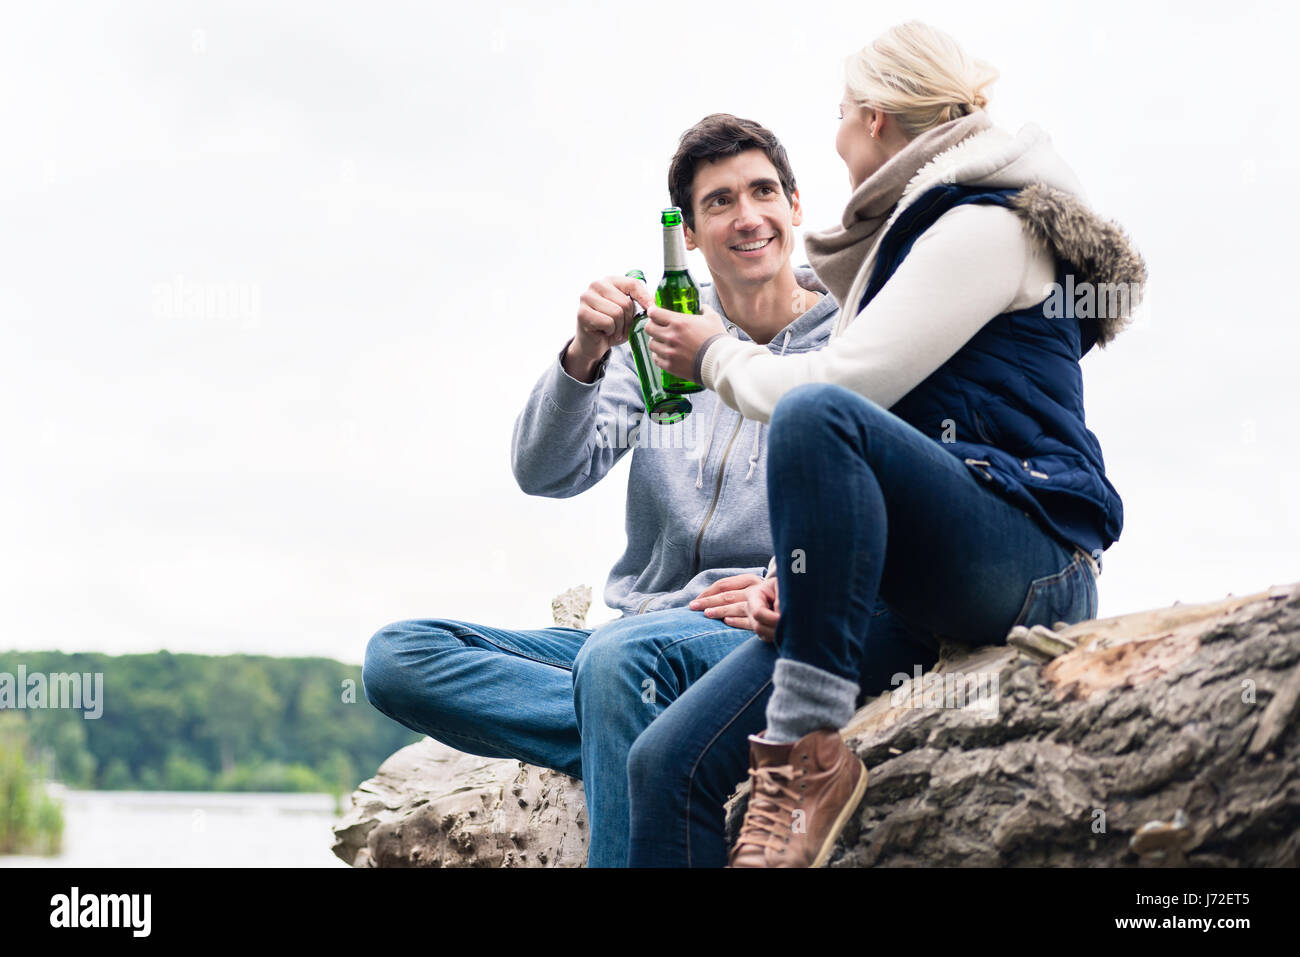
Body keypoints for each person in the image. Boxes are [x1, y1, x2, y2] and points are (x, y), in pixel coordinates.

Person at [635, 20, 1147, 867]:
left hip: (1034, 556)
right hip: (928, 577)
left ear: (874, 118)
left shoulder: (988, 226)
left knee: (813, 416)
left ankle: (804, 761)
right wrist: (785, 581)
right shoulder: (913, 237)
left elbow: (837, 397)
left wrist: (715, 355)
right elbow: (885, 456)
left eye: (840, 115)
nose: (834, 140)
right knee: (669, 761)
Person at [362, 114, 875, 867]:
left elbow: (877, 486)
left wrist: (780, 581)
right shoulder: (661, 337)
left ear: (796, 206)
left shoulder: (853, 333)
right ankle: (631, 726)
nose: (748, 215)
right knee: (397, 656)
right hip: (629, 631)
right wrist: (584, 355)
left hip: (741, 636)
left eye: (763, 191)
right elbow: (546, 471)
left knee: (616, 667)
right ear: (691, 235)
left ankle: (628, 715)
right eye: (720, 201)